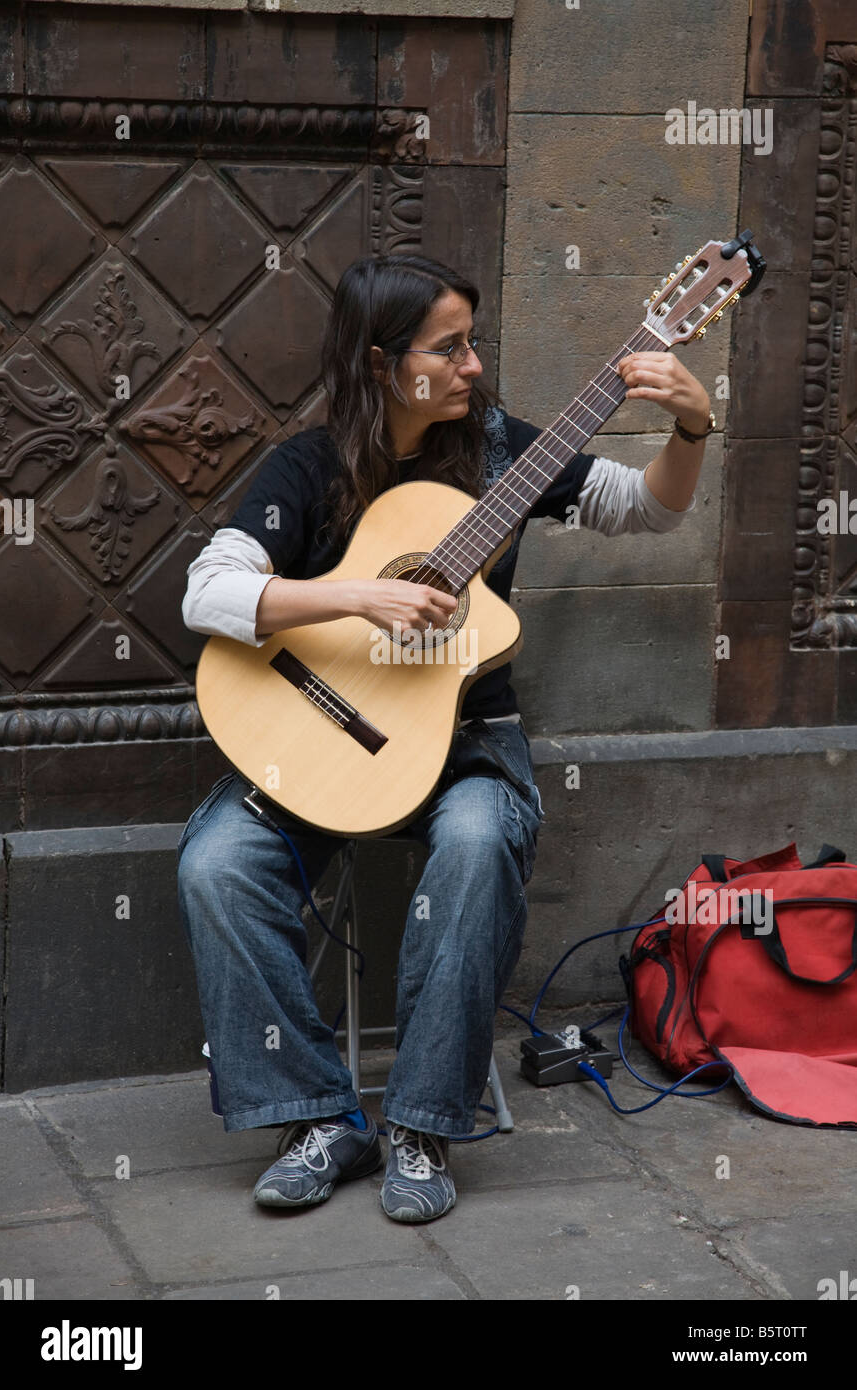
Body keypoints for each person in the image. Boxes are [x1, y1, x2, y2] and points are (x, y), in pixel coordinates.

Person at [177, 252, 712, 1224]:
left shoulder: (505, 453)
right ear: (384, 364)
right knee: (216, 860)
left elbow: (648, 507)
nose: (473, 365)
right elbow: (205, 593)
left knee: (474, 840)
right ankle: (315, 1116)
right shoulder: (309, 466)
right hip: (323, 735)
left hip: (462, 746)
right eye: (449, 347)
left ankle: (419, 1126)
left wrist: (689, 424)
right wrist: (355, 594)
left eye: (472, 342)